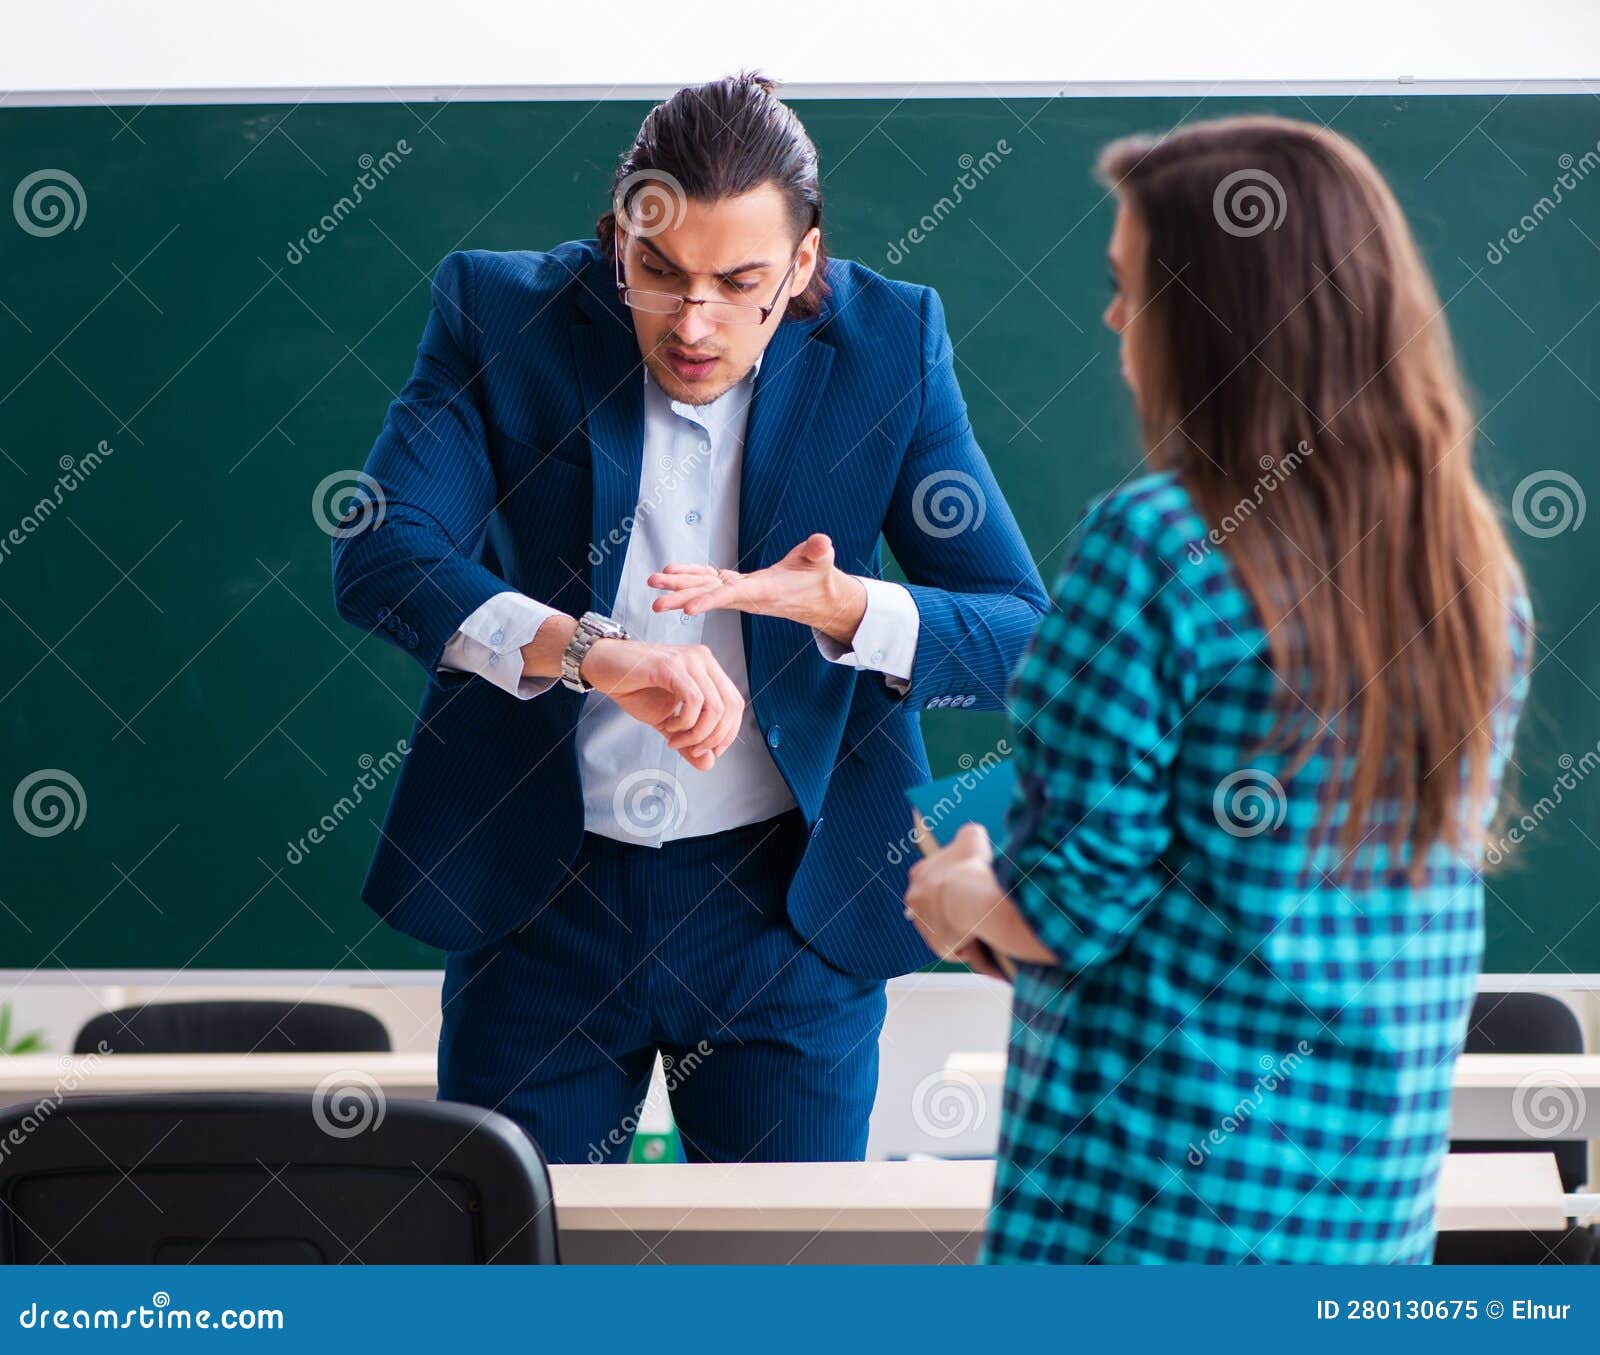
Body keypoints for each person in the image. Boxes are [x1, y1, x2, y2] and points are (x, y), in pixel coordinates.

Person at [330, 72, 1046, 1165]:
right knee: (515, 1283)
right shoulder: (501, 315)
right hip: (541, 902)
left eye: (738, 282)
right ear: (619, 238)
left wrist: (854, 608)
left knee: (782, 1296)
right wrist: (588, 651)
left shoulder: (890, 343)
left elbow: (1025, 635)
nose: (694, 323)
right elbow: (382, 553)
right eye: (659, 274)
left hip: (788, 912)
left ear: (802, 265)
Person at [904, 115, 1531, 1263]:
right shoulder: (1474, 570)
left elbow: (1071, 907)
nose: (1110, 320)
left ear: (1215, 320)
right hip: (1364, 1216)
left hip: (1155, 1219)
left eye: (1129, 289)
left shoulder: (1157, 548)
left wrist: (958, 899)